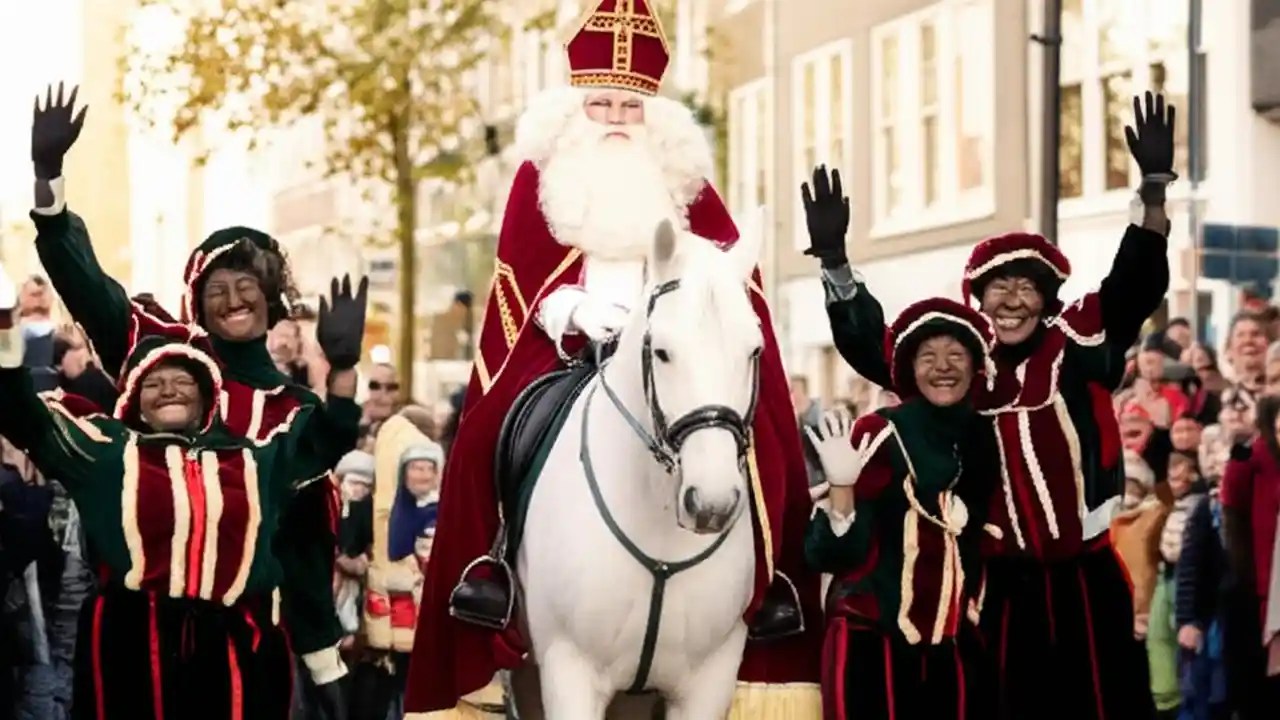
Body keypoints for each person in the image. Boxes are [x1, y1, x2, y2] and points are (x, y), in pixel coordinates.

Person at [408, 1, 821, 714]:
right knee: (483, 438)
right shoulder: (541, 183)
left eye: (627, 105)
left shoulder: (688, 191)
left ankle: (772, 582)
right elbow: (519, 279)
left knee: (767, 446)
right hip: (567, 352)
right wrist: (570, 309)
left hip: (675, 354)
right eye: (600, 103)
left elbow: (728, 273)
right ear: (576, 107)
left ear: (652, 112)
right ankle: (489, 576)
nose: (613, 119)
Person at [804, 92, 1176, 719]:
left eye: (1025, 286)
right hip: (997, 587)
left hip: (1085, 577)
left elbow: (1135, 281)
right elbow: (879, 347)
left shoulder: (1082, 344)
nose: (1010, 299)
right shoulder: (965, 365)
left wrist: (1155, 192)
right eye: (997, 286)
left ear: (1047, 297)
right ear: (978, 297)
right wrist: (837, 264)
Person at [28, 83, 366, 701]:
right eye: (218, 288)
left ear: (270, 299)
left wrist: (321, 652)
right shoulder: (161, 352)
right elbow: (85, 284)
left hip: (242, 636)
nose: (235, 300)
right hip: (136, 628)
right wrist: (48, 184)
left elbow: (304, 542)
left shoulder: (295, 413)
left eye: (248, 287)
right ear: (196, 300)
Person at [0, 320, 350, 718]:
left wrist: (341, 371)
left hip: (234, 645)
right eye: (152, 383)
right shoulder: (108, 455)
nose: (168, 389)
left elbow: (324, 441)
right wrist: (5, 339)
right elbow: (26, 420)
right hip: (134, 642)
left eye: (182, 380)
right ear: (136, 402)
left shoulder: (253, 460)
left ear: (205, 396)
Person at [805, 298, 998, 719]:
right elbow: (832, 554)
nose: (943, 367)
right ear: (910, 369)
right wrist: (841, 487)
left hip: (950, 647)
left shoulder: (982, 438)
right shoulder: (883, 432)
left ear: (975, 365)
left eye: (955, 355)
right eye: (928, 357)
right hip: (872, 642)